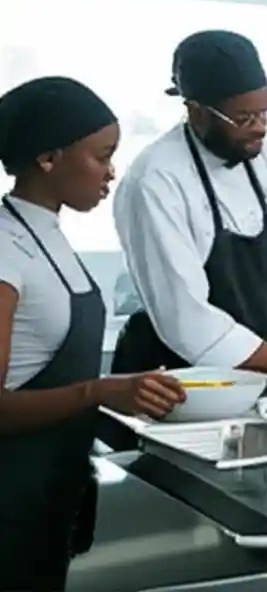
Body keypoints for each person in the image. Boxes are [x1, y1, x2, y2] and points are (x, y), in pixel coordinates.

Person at [0, 77, 185, 591]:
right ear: (48, 158)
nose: (111, 171)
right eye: (101, 156)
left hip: (51, 495)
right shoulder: (5, 251)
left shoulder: (47, 236)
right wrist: (99, 391)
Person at [112, 30, 267, 379]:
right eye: (244, 119)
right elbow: (186, 319)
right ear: (196, 111)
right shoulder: (155, 180)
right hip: (176, 372)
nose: (259, 127)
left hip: (261, 358)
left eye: (264, 112)